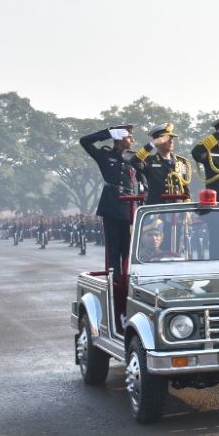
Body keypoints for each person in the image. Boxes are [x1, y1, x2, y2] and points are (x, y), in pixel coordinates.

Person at [79, 124, 138, 324]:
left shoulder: (132, 157)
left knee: (129, 250)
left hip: (130, 206)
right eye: (129, 137)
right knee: (114, 250)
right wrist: (107, 133)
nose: (132, 140)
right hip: (112, 205)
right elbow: (84, 141)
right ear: (120, 138)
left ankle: (128, 282)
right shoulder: (105, 155)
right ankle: (115, 284)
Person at [133, 123, 193, 204]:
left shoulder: (181, 162)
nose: (171, 141)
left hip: (177, 210)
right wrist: (152, 144)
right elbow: (134, 162)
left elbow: (185, 188)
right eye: (167, 138)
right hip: (156, 209)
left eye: (172, 138)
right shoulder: (149, 161)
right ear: (158, 141)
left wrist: (187, 207)